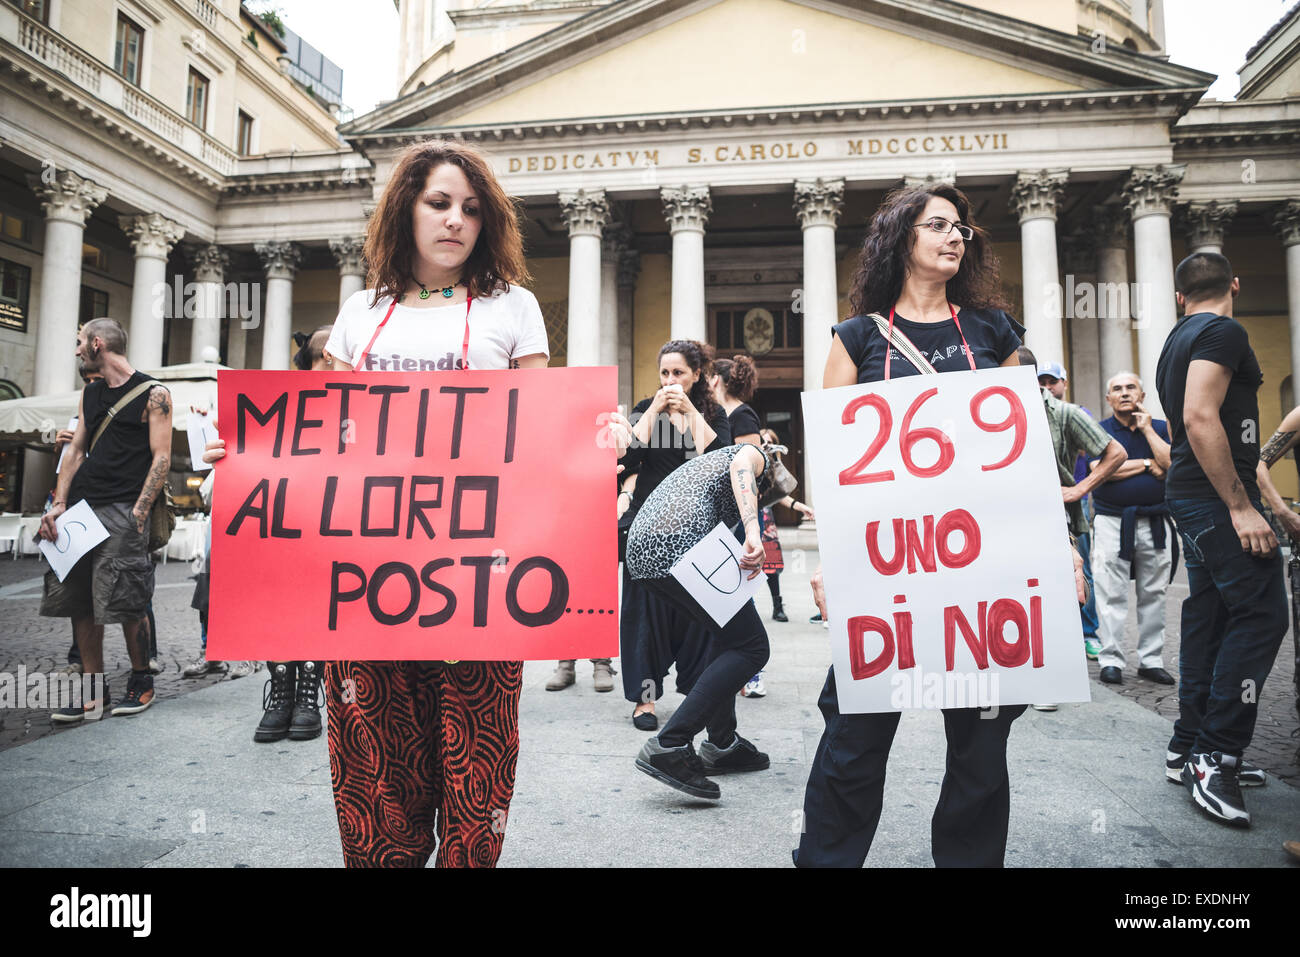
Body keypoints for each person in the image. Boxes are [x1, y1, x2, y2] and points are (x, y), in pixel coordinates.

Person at [207, 139, 547, 866]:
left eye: (471, 209)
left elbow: (538, 429)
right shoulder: (362, 312)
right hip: (369, 579)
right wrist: (250, 459)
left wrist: (594, 438)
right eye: (438, 203)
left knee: (476, 776)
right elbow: (323, 436)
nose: (456, 220)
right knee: (373, 779)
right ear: (406, 209)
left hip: (477, 580)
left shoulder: (514, 308)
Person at [795, 183, 1032, 867]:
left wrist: (1056, 552)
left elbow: (1021, 455)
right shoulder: (857, 338)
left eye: (961, 227)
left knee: (981, 754)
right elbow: (835, 468)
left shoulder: (992, 332)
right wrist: (829, 566)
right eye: (938, 225)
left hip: (982, 575)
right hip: (886, 574)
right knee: (853, 743)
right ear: (903, 238)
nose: (956, 236)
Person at [1155, 251, 1288, 828]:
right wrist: (1241, 506)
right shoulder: (1224, 331)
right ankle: (1218, 754)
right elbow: (1200, 418)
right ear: (1234, 283)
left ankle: (1187, 745)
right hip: (1213, 497)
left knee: (1209, 612)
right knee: (1262, 614)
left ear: (1179, 295)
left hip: (1194, 494)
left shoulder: (1176, 338)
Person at [618, 436, 778, 800]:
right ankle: (671, 744)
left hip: (643, 552)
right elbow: (743, 467)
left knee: (727, 639)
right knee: (753, 648)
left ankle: (722, 743)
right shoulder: (755, 455)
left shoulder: (707, 468)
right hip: (682, 544)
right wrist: (753, 531)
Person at [41, 318, 171, 720]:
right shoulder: (91, 394)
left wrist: (139, 511)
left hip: (123, 508)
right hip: (81, 510)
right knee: (80, 602)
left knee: (128, 600)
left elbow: (161, 456)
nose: (78, 349)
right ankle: (94, 693)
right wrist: (59, 503)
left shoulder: (155, 394)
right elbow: (76, 451)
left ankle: (140, 680)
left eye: (81, 342)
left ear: (98, 343)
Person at [615, 340, 731, 730]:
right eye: (664, 373)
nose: (670, 381)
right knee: (644, 620)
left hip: (697, 534)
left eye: (678, 373)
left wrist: (691, 413)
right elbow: (624, 458)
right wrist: (652, 413)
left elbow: (722, 461)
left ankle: (695, 700)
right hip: (648, 531)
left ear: (697, 374)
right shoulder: (647, 409)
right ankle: (644, 702)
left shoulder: (712, 413)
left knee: (698, 621)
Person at [1018, 347, 1124, 711]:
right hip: (1005, 518)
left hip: (1053, 518)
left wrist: (1079, 489)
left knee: (1053, 599)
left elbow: (1115, 453)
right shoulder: (991, 408)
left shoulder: (1064, 413)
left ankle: (1047, 684)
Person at [249, 325, 336, 744]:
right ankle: (282, 688)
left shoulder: (359, 405)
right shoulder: (278, 403)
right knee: (280, 603)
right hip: (285, 522)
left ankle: (308, 689)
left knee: (320, 603)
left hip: (335, 526)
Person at [1089, 372, 1176, 686]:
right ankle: (1111, 659)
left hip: (1156, 522)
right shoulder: (1100, 430)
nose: (1124, 393)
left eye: (1130, 387)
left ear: (1142, 394)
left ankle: (1151, 660)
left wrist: (1149, 431)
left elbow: (1173, 465)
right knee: (1110, 592)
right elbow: (1100, 471)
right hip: (1112, 521)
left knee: (1153, 592)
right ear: (1109, 398)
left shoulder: (1163, 428)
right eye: (1117, 389)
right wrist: (1144, 464)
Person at [1037, 361, 1102, 659]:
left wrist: (1080, 489)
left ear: (1064, 383)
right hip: (1035, 511)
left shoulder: (1072, 414)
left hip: (1068, 510)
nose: (1047, 387)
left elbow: (1103, 455)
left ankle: (1088, 634)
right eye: (1042, 382)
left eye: (1052, 382)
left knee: (1079, 571)